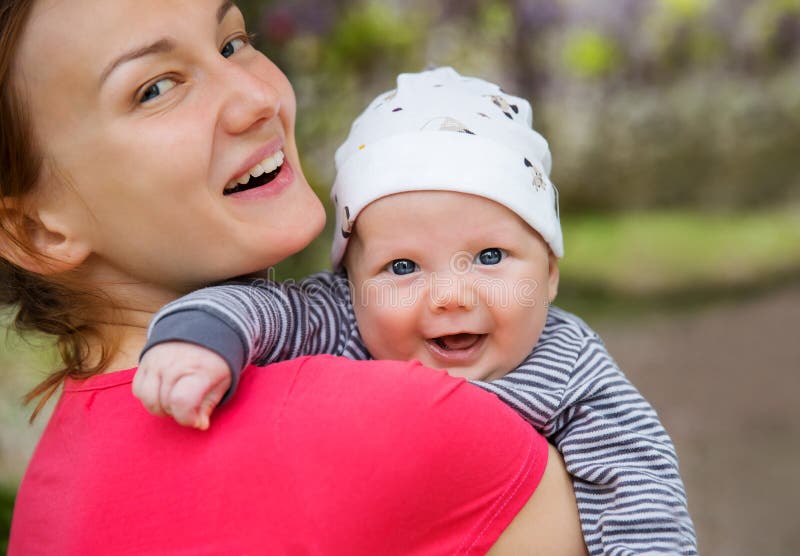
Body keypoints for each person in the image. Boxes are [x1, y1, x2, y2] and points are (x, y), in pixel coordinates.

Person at [1, 1, 588, 554]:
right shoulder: (421, 423)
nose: (259, 97)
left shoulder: (50, 494)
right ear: (37, 230)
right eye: (156, 88)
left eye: (232, 44)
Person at [136, 68, 698, 554]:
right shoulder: (342, 320)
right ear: (352, 284)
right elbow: (263, 307)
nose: (451, 295)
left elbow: (636, 478)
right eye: (403, 267)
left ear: (549, 273)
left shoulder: (568, 364)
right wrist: (200, 341)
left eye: (490, 257)